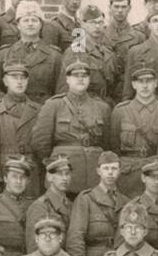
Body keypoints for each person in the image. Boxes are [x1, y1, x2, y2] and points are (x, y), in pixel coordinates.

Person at [32, 59, 112, 195]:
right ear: (67, 79)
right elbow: (40, 142)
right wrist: (54, 166)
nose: (80, 79)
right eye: (76, 76)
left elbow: (107, 143)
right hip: (64, 174)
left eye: (84, 76)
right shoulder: (54, 105)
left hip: (94, 176)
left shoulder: (102, 107)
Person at [108, 66, 158, 197]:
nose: (145, 86)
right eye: (140, 82)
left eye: (149, 81)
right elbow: (113, 148)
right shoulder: (120, 111)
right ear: (133, 84)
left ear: (155, 83)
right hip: (127, 177)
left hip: (154, 174)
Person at [0, 60, 41, 194]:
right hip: (6, 171)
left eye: (23, 78)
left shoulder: (38, 110)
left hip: (31, 172)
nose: (19, 82)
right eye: (14, 77)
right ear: (5, 81)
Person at [0, 0, 64, 104]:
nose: (30, 24)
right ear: (18, 25)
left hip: (43, 111)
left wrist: (50, 109)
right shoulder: (4, 54)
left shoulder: (55, 56)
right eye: (26, 20)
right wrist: (8, 103)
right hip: (12, 113)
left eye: (34, 20)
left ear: (41, 25)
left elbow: (62, 90)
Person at [67, 151, 129, 256]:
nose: (110, 172)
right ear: (98, 171)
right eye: (106, 168)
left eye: (114, 168)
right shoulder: (86, 199)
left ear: (120, 171)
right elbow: (75, 237)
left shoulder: (126, 202)